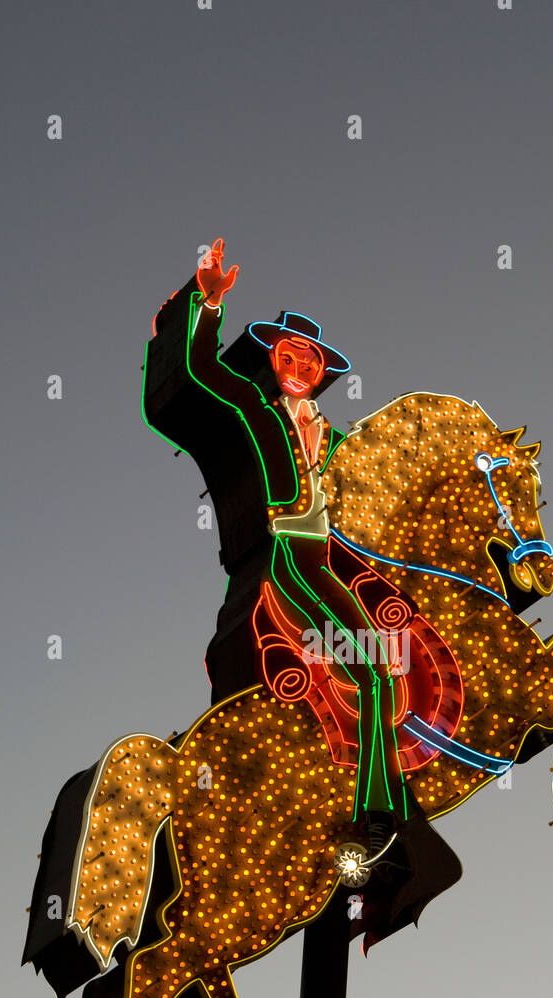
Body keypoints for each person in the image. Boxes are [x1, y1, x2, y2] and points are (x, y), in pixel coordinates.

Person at [188, 239, 410, 854]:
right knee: (373, 673)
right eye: (291, 354)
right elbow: (201, 375)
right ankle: (378, 813)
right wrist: (205, 306)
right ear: (273, 357)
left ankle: (373, 787)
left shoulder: (332, 437)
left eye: (312, 361)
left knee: (386, 666)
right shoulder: (258, 412)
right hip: (290, 556)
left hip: (327, 557)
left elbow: (368, 494)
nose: (303, 365)